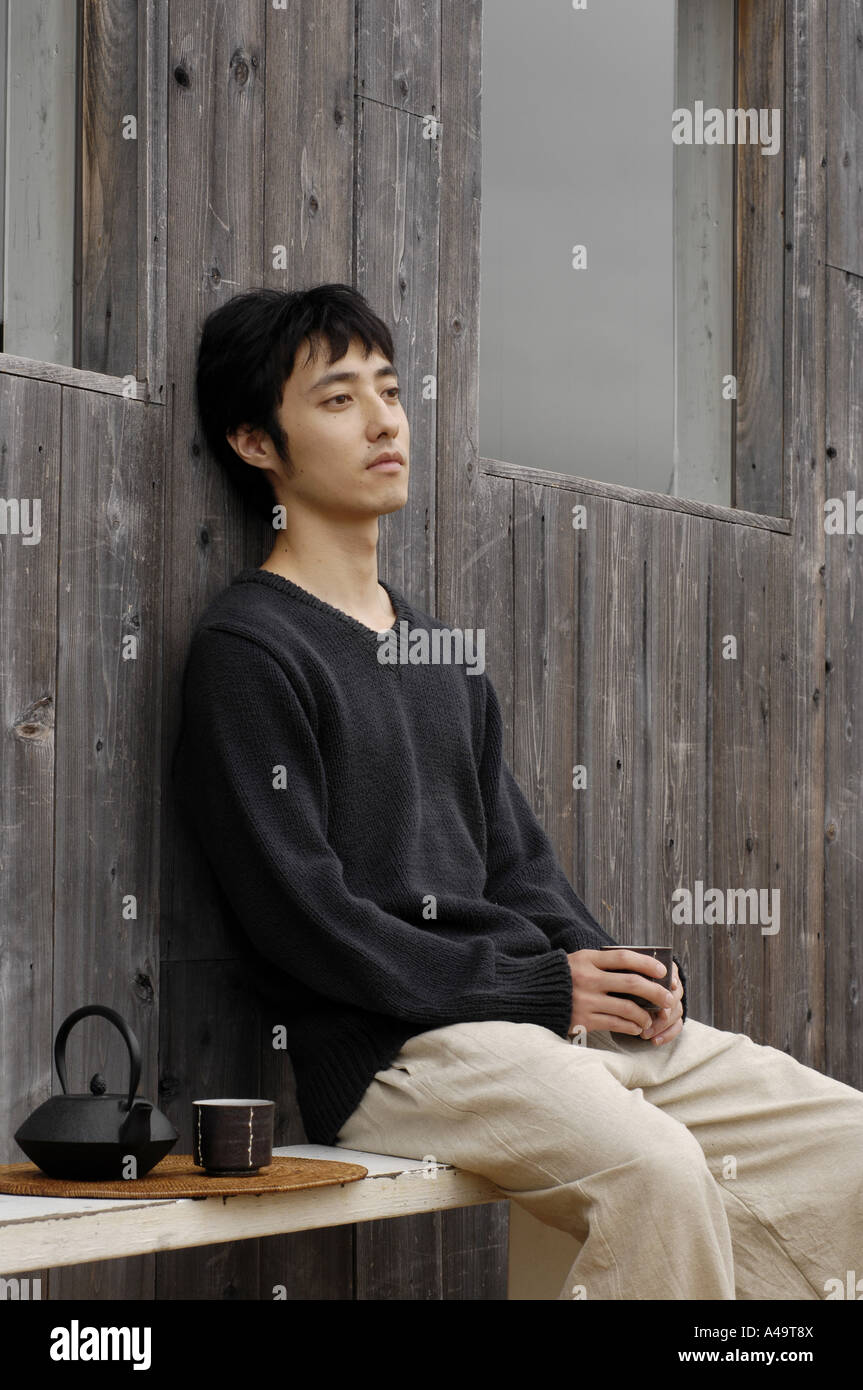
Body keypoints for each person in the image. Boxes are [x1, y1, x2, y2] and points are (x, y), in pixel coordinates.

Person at [172, 282, 863, 1301]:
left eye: (391, 391)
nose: (381, 421)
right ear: (252, 442)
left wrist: (604, 968)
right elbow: (302, 921)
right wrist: (538, 988)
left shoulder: (435, 651)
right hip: (396, 1057)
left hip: (530, 1026)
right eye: (336, 400)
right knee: (657, 1175)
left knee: (840, 1144)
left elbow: (517, 864)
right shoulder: (249, 651)